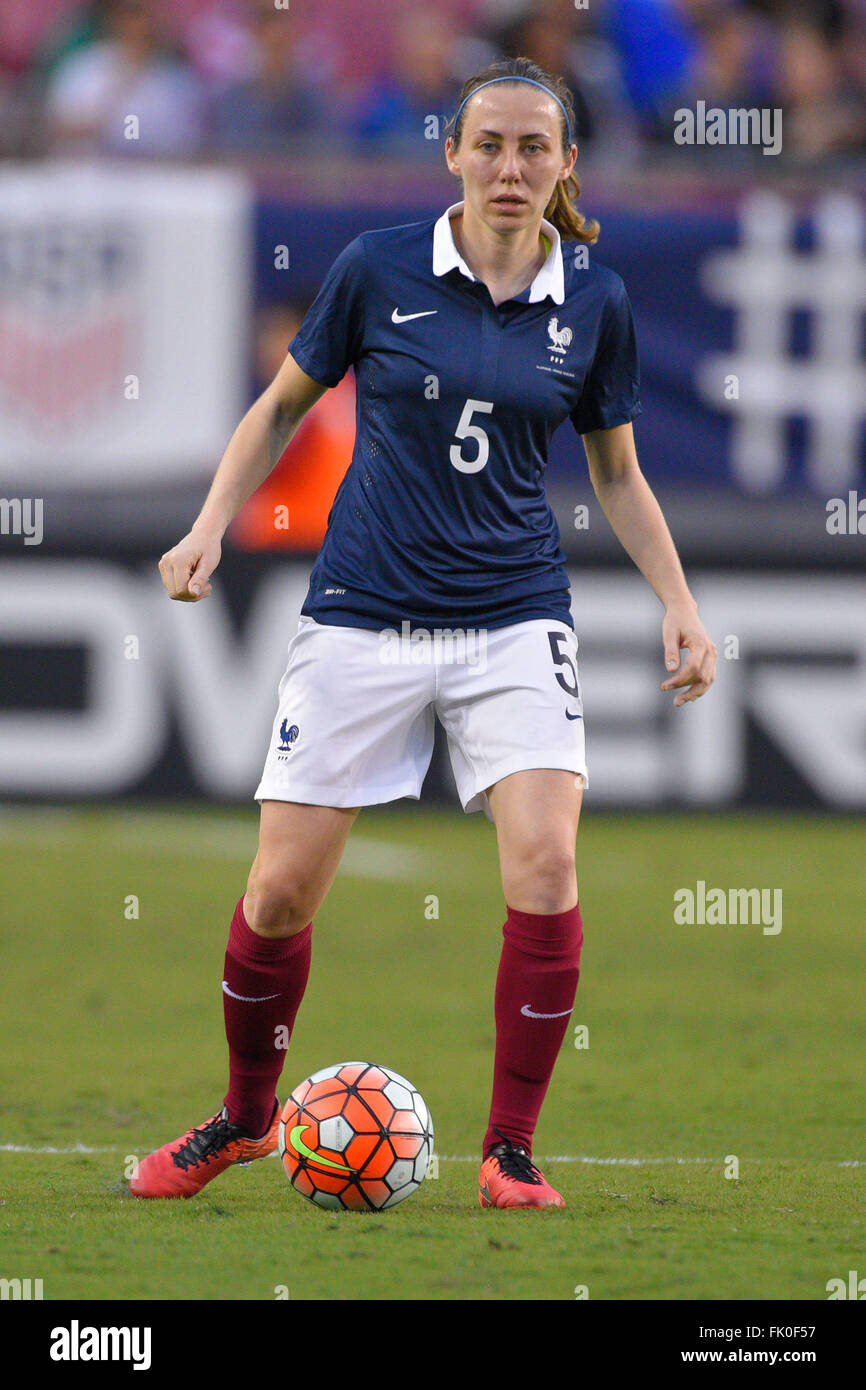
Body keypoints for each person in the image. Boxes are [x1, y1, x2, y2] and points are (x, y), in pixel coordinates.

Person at [133, 55, 716, 1210]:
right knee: (279, 894)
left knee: (546, 864)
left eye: (532, 148)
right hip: (363, 611)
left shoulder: (593, 297)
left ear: (564, 167)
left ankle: (508, 1150)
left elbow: (618, 473)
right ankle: (248, 1116)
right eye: (488, 144)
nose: (508, 167)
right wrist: (208, 526)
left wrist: (680, 601)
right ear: (449, 151)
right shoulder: (377, 266)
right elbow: (280, 406)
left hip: (513, 617)